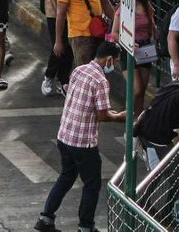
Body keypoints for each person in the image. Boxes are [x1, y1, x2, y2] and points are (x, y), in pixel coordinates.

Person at [33, 41, 127, 232]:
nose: (114, 66)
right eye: (114, 62)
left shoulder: (79, 70)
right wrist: (120, 116)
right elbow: (103, 115)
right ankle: (86, 226)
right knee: (92, 185)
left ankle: (45, 219)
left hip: (65, 135)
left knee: (66, 176)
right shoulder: (100, 81)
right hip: (83, 142)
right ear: (108, 59)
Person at [112, 0, 157, 115]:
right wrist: (128, 42)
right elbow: (113, 34)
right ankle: (129, 119)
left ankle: (137, 119)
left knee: (142, 89)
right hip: (129, 49)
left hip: (145, 49)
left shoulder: (148, 7)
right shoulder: (123, 9)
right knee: (135, 89)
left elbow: (152, 29)